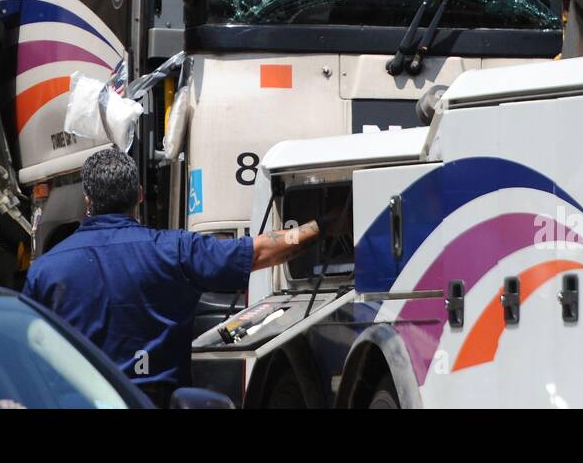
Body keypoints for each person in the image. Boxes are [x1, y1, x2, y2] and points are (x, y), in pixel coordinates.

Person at [22, 148, 343, 406]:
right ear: (140, 195)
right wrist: (325, 226)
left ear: (87, 201)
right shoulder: (174, 251)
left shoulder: (45, 271)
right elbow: (260, 252)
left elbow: (28, 353)